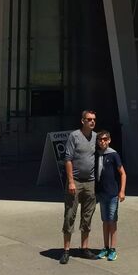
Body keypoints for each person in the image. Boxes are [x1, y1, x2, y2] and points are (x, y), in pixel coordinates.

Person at [59, 109, 98, 264]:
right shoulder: (74, 136)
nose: (92, 122)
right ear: (83, 121)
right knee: (70, 214)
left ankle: (84, 248)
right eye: (89, 119)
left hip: (90, 182)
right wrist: (70, 182)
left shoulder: (96, 137)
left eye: (94, 119)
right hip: (75, 181)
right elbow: (67, 159)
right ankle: (66, 250)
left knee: (87, 215)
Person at [95, 129, 126, 262]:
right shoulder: (97, 154)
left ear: (109, 140)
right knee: (105, 221)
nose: (103, 141)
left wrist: (122, 191)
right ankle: (106, 247)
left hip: (113, 193)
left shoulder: (113, 154)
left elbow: (122, 173)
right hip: (102, 193)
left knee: (112, 220)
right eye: (100, 139)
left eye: (105, 139)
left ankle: (113, 249)